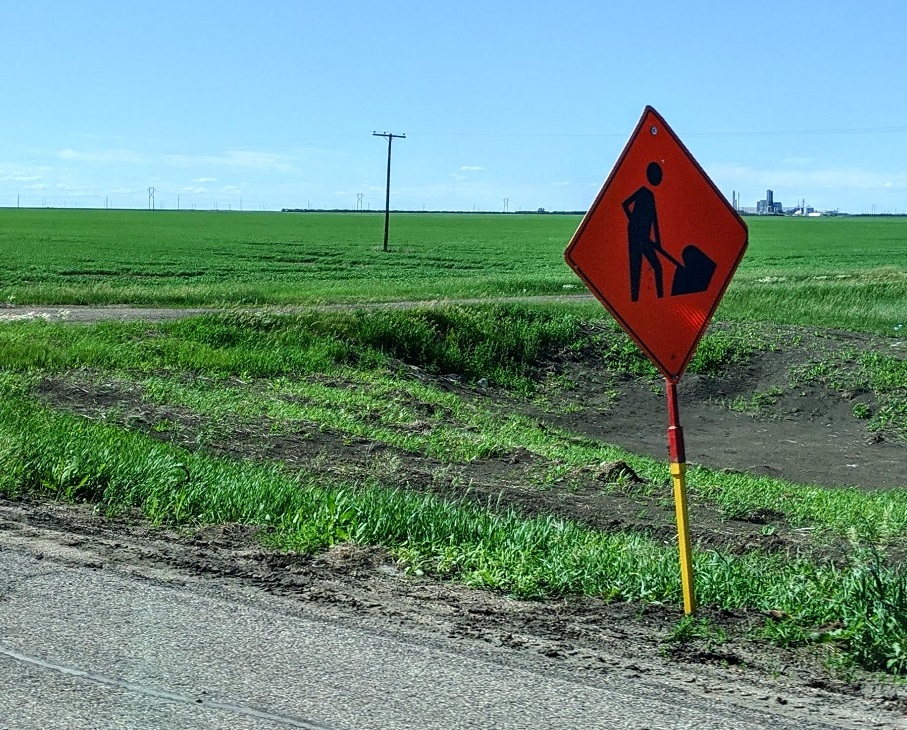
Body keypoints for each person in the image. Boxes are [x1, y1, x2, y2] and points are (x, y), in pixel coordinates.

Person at [622, 162, 664, 302]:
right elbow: (625, 204)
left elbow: (654, 220)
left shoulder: (651, 195)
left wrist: (657, 242)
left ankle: (661, 299)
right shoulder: (643, 192)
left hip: (644, 237)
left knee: (658, 267)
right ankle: (634, 301)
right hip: (634, 235)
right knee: (635, 267)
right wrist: (633, 222)